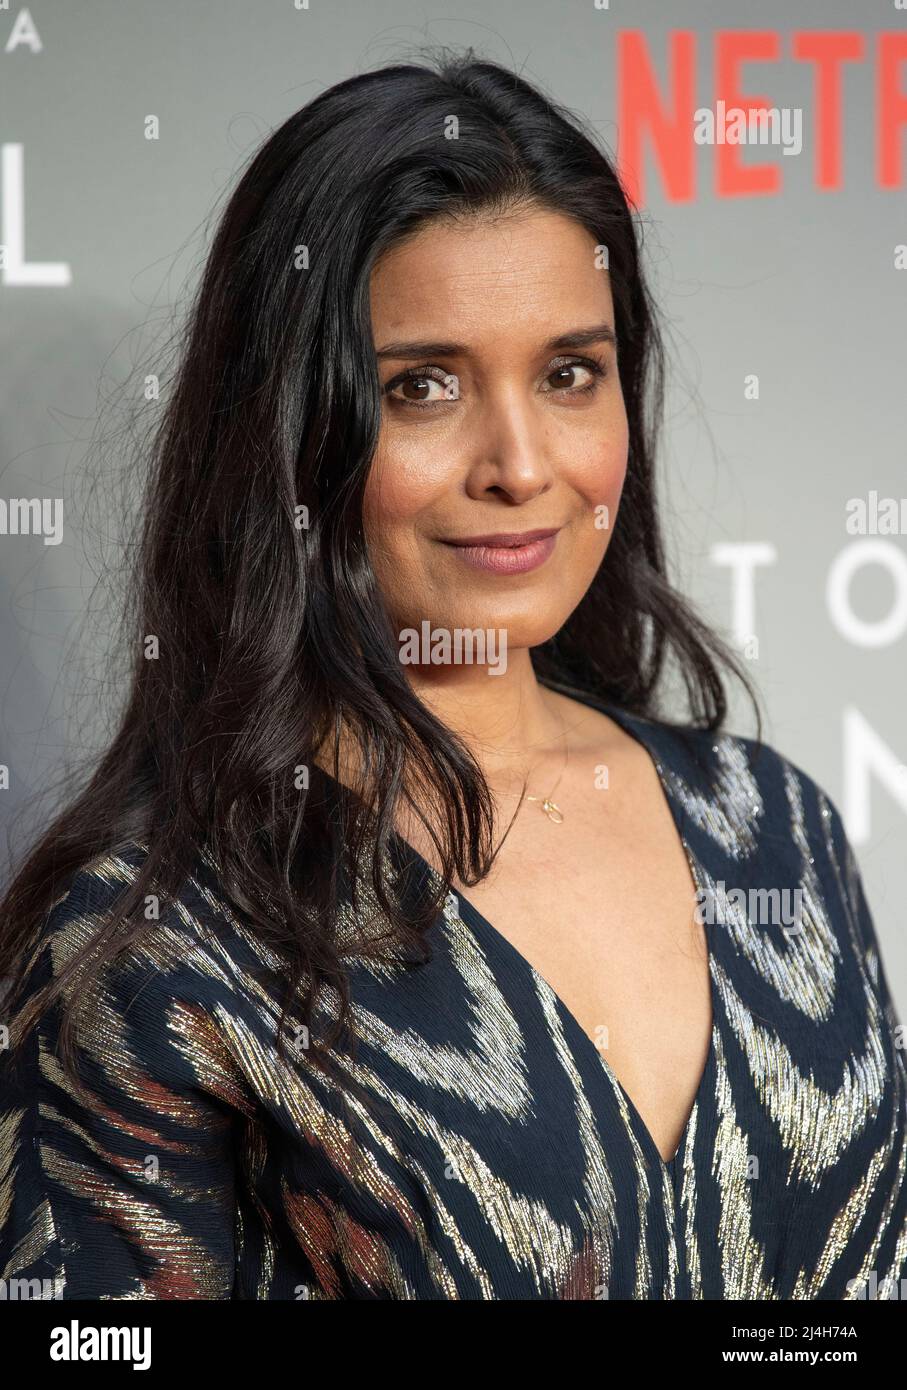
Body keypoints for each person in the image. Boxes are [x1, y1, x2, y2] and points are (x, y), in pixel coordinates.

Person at [0, 49, 904, 1301]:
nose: (520, 463)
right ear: (292, 431)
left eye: (568, 373)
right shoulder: (148, 944)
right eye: (422, 387)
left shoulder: (776, 830)